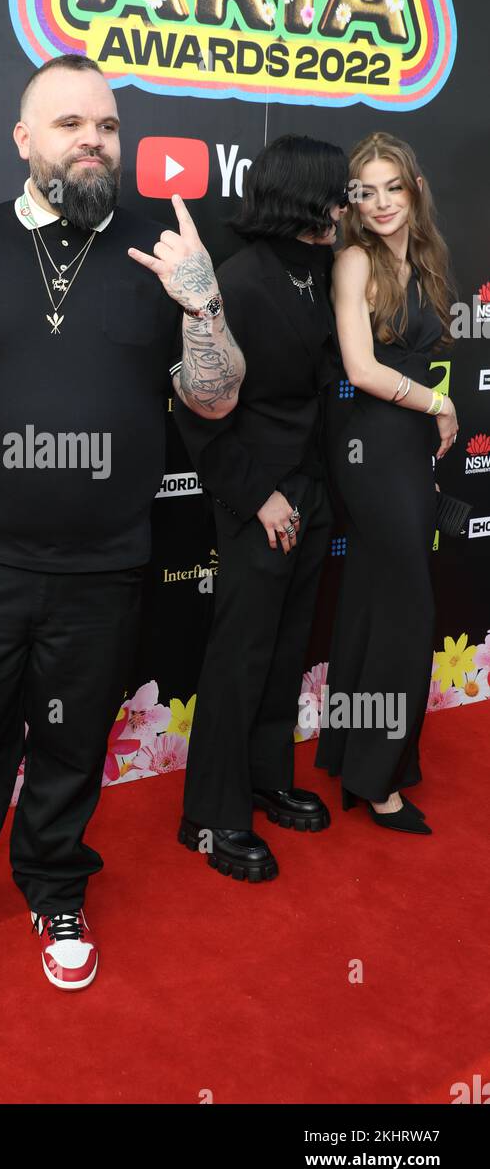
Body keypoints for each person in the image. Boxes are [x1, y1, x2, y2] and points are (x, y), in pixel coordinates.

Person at [0, 54, 245, 988]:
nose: (93, 142)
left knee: (73, 743)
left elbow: (219, 400)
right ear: (26, 139)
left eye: (108, 126)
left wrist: (202, 299)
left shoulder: (165, 250)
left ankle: (55, 887)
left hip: (105, 563)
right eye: (71, 125)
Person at [173, 134, 348, 883]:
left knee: (285, 648)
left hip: (311, 491)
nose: (348, 206)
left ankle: (267, 777)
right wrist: (258, 497)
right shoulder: (237, 281)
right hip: (256, 496)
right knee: (241, 653)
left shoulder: (330, 272)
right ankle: (210, 817)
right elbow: (195, 412)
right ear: (308, 196)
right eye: (338, 191)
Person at [315, 132, 457, 833]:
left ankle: (356, 754)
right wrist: (440, 403)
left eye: (391, 187)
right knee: (406, 613)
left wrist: (425, 418)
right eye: (364, 190)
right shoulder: (352, 262)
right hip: (370, 445)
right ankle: (379, 779)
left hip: (404, 444)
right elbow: (362, 369)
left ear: (415, 189)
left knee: (373, 601)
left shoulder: (423, 259)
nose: (379, 203)